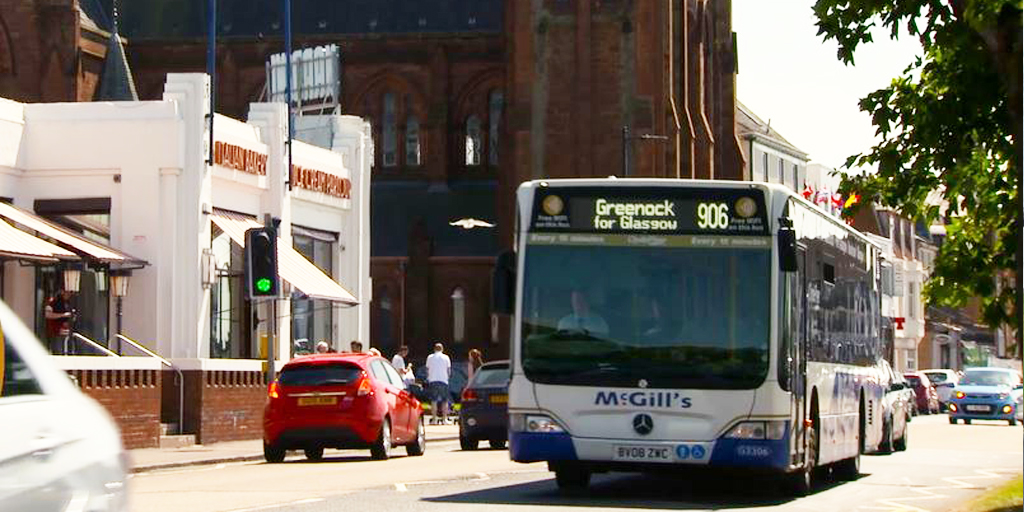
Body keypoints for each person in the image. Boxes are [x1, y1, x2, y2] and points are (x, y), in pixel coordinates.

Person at [425, 342, 452, 424]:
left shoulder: (430, 357)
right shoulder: (446, 357)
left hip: (433, 380)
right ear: (442, 349)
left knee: (434, 401)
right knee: (445, 401)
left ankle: (434, 419)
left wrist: (428, 378)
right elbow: (449, 370)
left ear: (434, 349)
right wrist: (447, 377)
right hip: (443, 380)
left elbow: (427, 369)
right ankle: (444, 419)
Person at [44, 290, 73, 354]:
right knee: (58, 352)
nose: (69, 294)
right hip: (56, 333)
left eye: (71, 292)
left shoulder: (68, 303)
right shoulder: (53, 302)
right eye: (67, 292)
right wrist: (63, 315)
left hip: (67, 333)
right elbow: (47, 315)